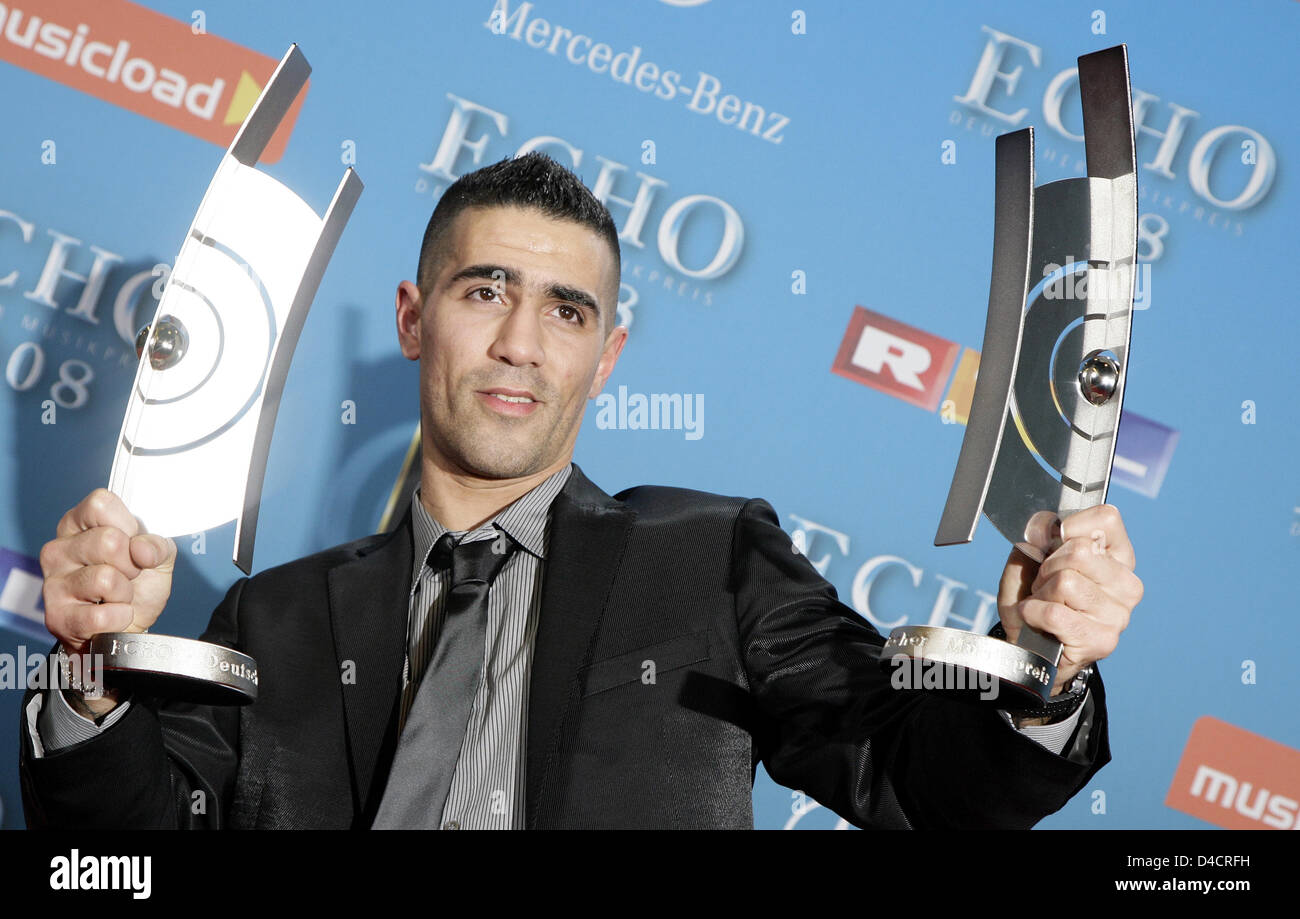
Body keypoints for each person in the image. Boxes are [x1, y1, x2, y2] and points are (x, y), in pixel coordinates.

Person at [19, 152, 1143, 829]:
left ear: (604, 357)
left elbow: (922, 790)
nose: (520, 344)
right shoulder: (273, 615)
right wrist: (93, 680)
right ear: (414, 317)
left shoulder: (710, 555)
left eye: (566, 310)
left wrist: (1042, 681)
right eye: (485, 290)